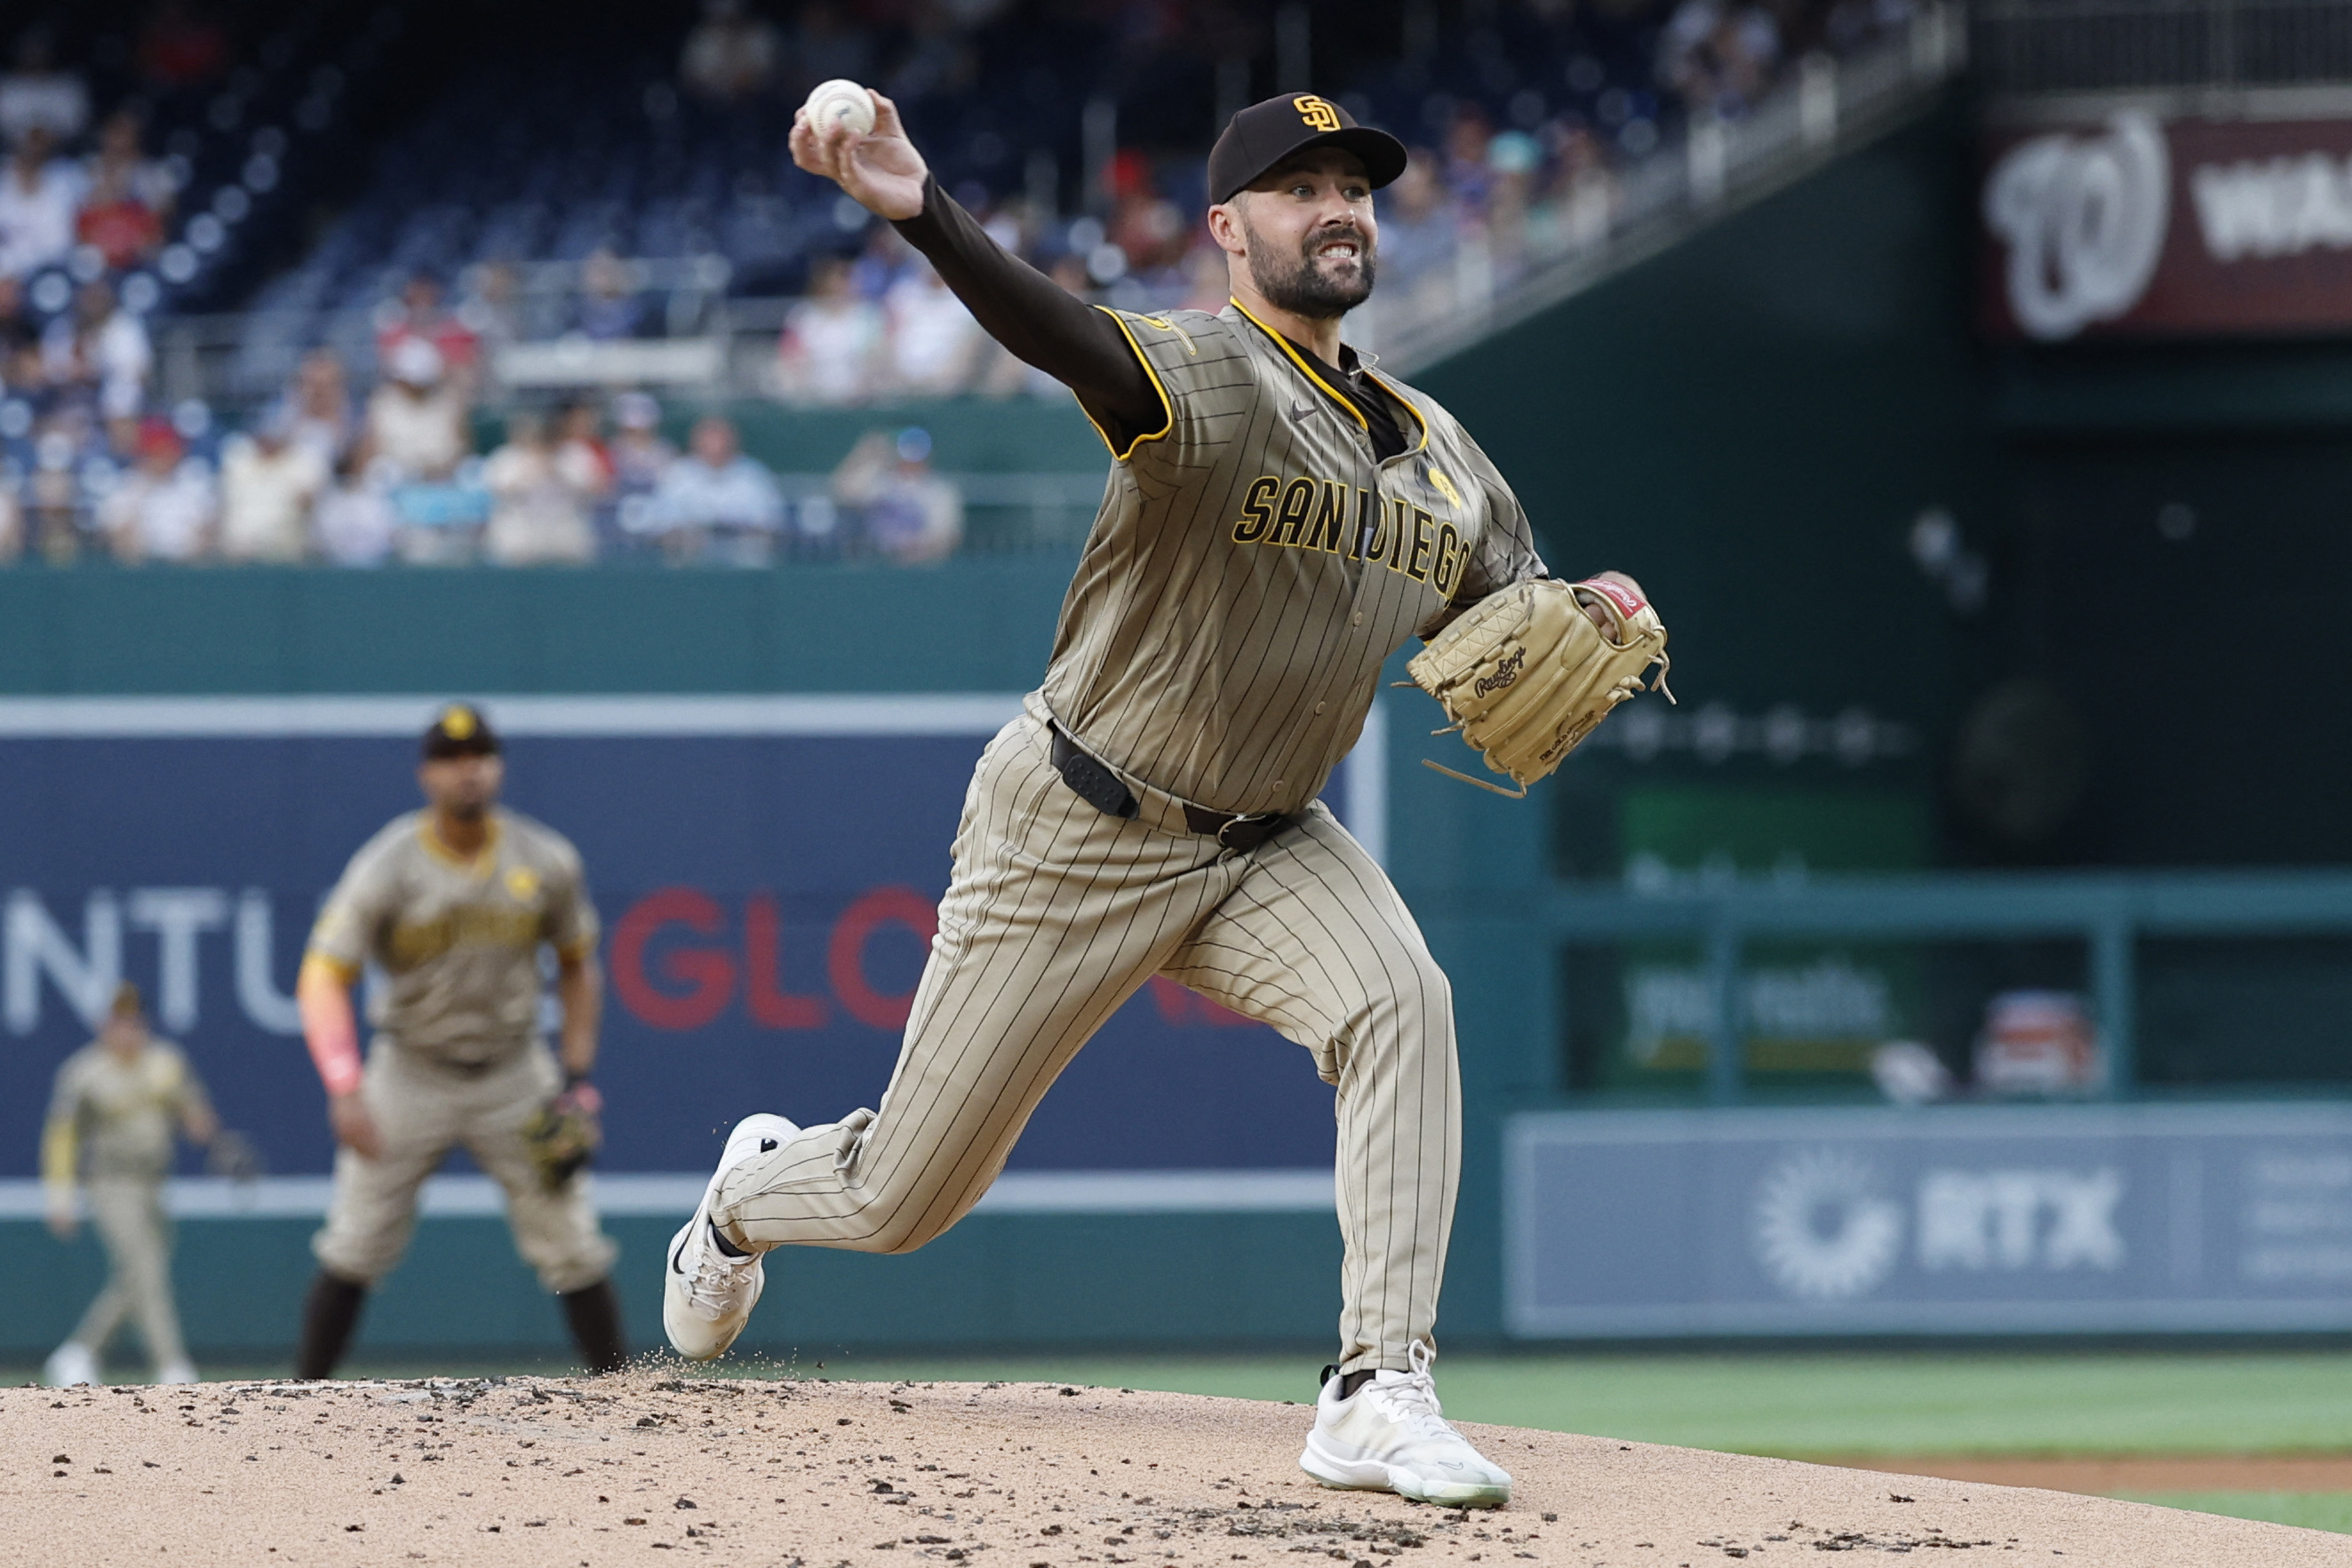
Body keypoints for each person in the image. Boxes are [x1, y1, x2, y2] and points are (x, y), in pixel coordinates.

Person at [664, 90, 1656, 1513]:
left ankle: (1375, 1388)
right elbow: (1061, 336)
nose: (1336, 207)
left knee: (1402, 1003)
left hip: (1266, 841)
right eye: (1297, 185)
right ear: (1226, 231)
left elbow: (1515, 596)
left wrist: (1586, 602)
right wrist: (918, 210)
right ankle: (740, 1201)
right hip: (1076, 825)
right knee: (901, 1199)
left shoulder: (1437, 448)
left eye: (1354, 186)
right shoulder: (1210, 372)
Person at [291, 704, 626, 1379]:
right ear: (427, 773)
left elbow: (578, 965)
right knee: (353, 1244)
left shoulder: (543, 857)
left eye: (480, 755)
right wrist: (343, 1081)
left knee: (573, 1246)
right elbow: (322, 974)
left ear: (497, 766)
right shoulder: (388, 863)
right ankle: (297, 1403)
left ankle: (624, 1393)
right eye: (450, 757)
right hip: (408, 1069)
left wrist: (577, 1075)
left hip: (512, 1070)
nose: (467, 769)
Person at [41, 983, 220, 1389]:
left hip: (153, 1180)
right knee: (145, 1266)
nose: (127, 1031)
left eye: (133, 1022)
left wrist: (213, 1138)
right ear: (105, 1026)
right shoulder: (84, 1072)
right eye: (118, 1022)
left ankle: (80, 1351)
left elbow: (194, 1115)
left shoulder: (165, 1063)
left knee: (139, 1273)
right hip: (110, 1180)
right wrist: (60, 1196)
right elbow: (61, 1139)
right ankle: (172, 1364)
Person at [644, 413, 783, 565]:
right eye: (709, 437)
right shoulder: (678, 474)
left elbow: (772, 526)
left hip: (742, 560)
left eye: (721, 437)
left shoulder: (753, 474)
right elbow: (661, 528)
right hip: (691, 560)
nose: (716, 444)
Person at [482, 411, 601, 565]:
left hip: (562, 521)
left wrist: (556, 470)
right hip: (522, 522)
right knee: (512, 538)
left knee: (574, 539)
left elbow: (595, 488)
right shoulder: (506, 458)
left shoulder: (572, 454)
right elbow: (500, 490)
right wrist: (530, 472)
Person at [219, 408, 329, 562]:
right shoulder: (239, 460)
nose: (269, 440)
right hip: (239, 555)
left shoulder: (303, 463)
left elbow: (310, 501)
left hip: (284, 556)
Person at [100, 417, 215, 563]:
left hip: (185, 567)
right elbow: (116, 535)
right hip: (142, 570)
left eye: (168, 450)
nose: (164, 457)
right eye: (157, 452)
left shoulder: (193, 477)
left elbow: (208, 532)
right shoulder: (130, 484)